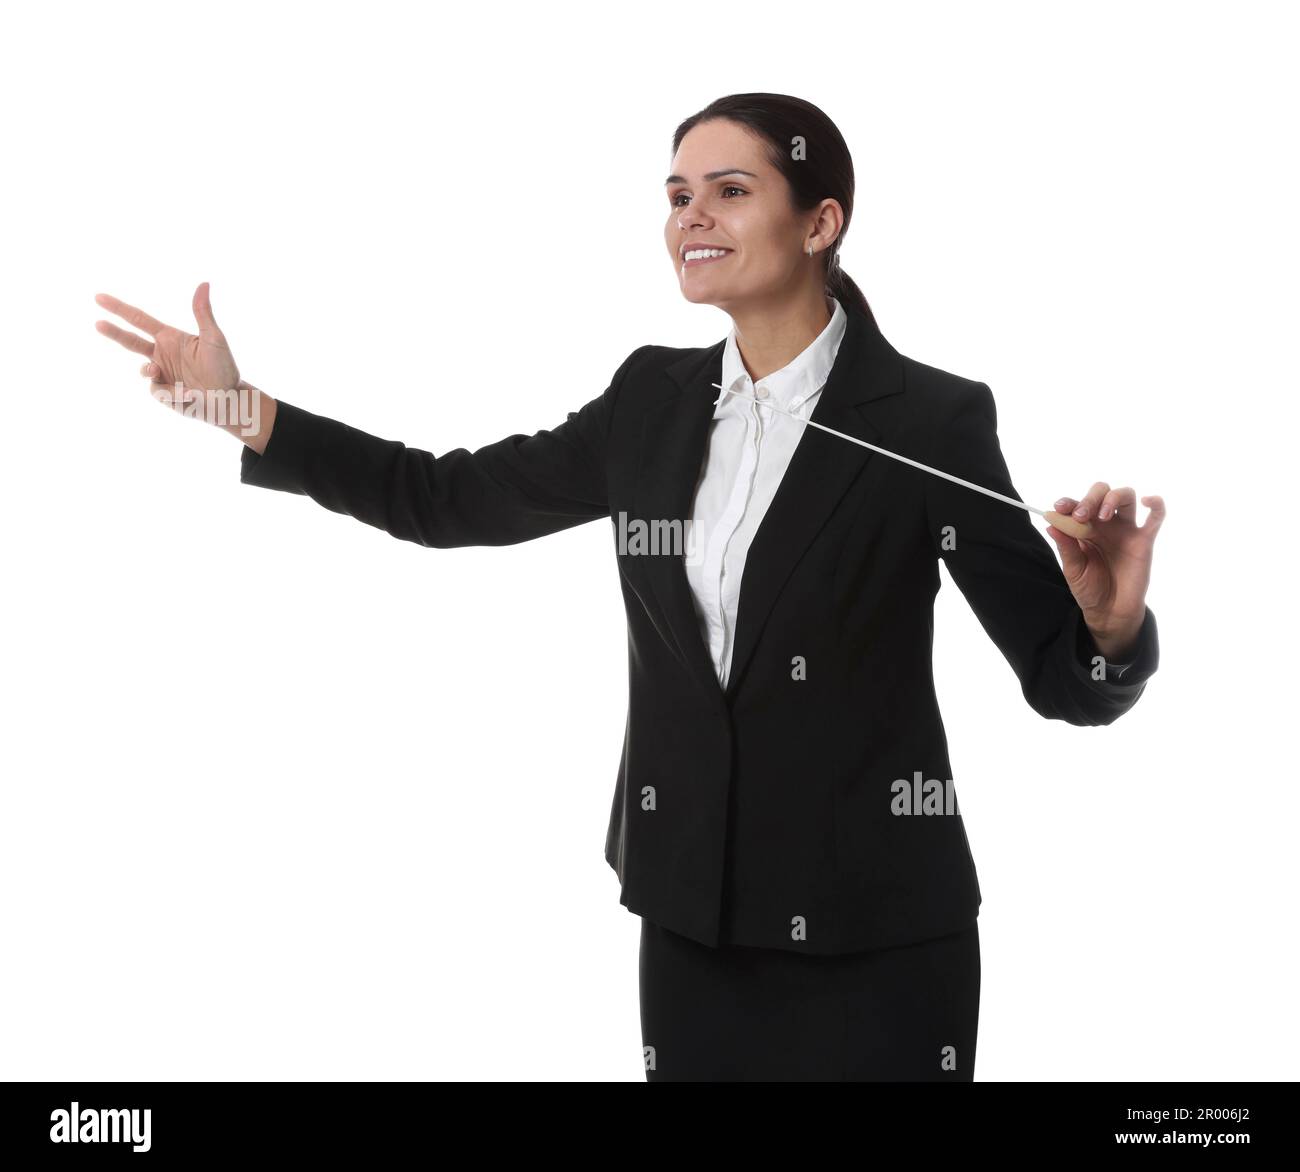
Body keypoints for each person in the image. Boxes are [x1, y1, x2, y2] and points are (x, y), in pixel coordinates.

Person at [95, 92, 1164, 1082]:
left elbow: (1064, 677)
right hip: (691, 921)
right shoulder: (650, 398)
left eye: (730, 190)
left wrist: (1110, 627)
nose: (690, 215)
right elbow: (441, 498)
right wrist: (247, 413)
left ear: (821, 222)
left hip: (877, 936)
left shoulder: (927, 419)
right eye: (676, 194)